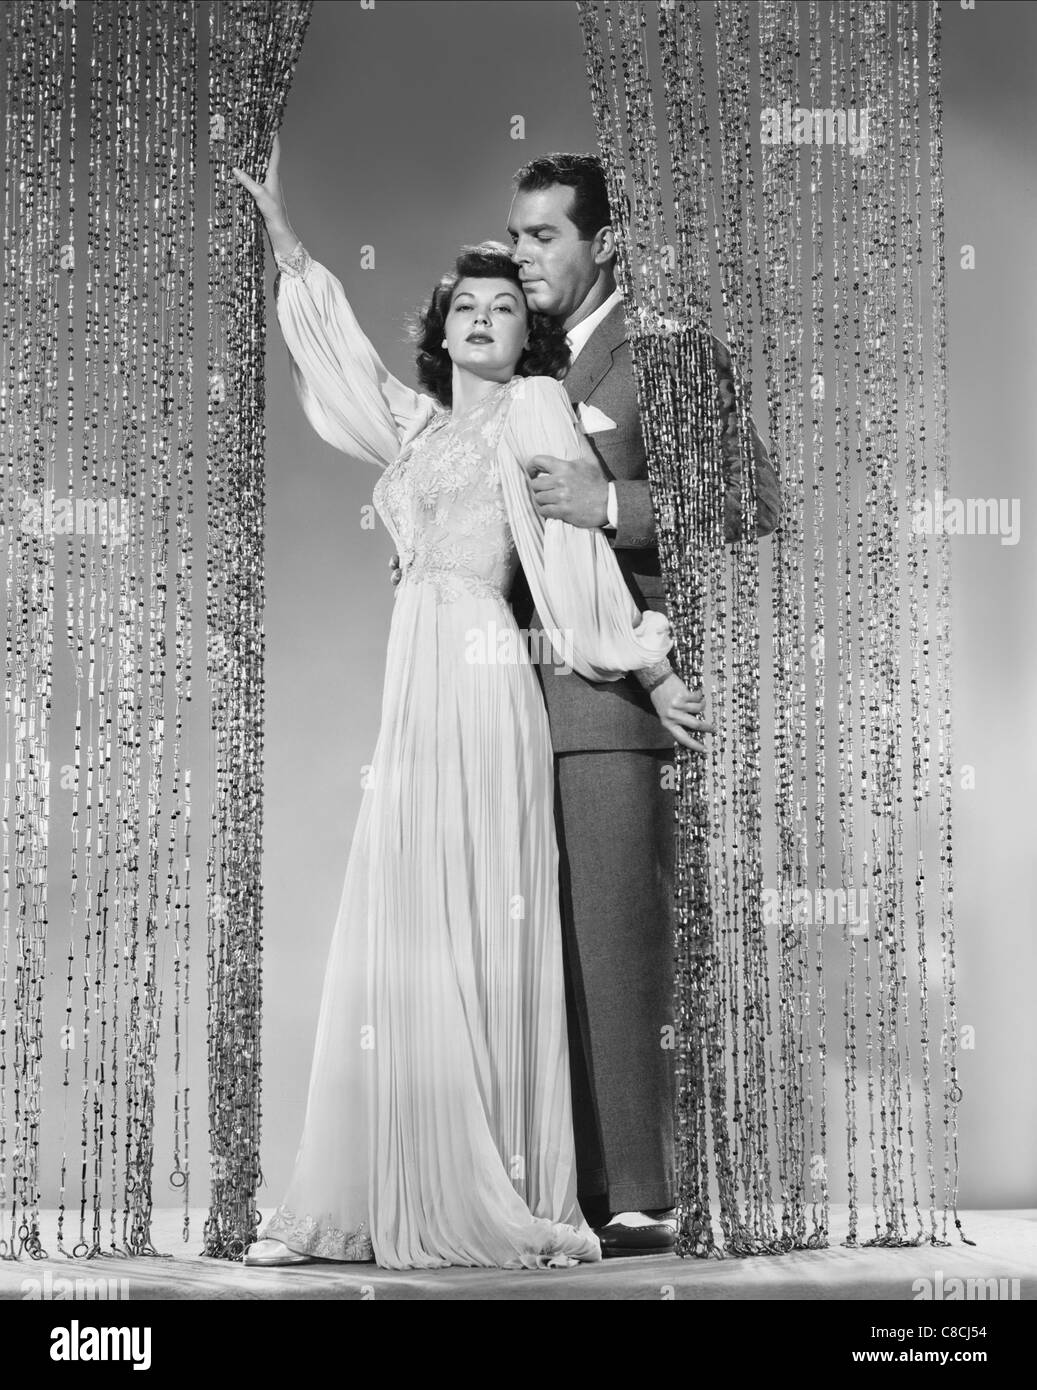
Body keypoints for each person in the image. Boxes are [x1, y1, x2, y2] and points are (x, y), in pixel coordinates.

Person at [231, 134, 712, 1270]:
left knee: (487, 928)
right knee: (405, 924)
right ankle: (397, 1173)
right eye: (469, 305)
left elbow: (575, 565)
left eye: (509, 298)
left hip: (493, 692)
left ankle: (508, 1178)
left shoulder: (535, 410)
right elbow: (344, 368)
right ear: (441, 331)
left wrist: (651, 665)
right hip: (412, 698)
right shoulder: (418, 427)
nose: (489, 314)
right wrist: (291, 246)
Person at [496, 153, 779, 1255]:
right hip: (504, 697)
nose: (520, 257)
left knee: (615, 948)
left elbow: (746, 502)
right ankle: (560, 1187)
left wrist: (604, 499)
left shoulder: (667, 350)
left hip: (619, 697)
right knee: (539, 952)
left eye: (541, 237)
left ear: (600, 241)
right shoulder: (517, 356)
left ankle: (637, 1196)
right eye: (513, 237)